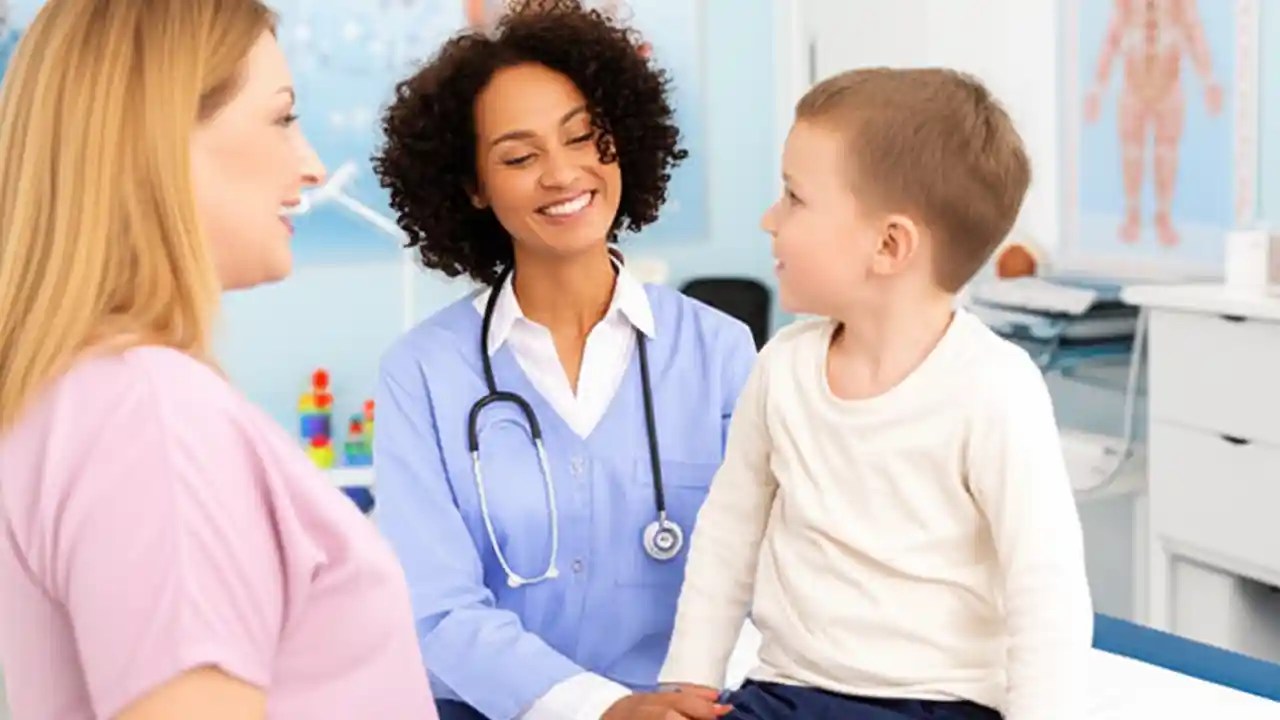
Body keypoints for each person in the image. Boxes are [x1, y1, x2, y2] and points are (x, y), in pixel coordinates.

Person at [0, 1, 437, 718]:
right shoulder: (150, 415)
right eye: (282, 117)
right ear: (159, 138)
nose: (313, 165)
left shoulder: (77, 395)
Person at [657, 68, 1095, 720]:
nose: (769, 219)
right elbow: (728, 533)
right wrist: (689, 680)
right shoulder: (782, 367)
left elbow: (1046, 588)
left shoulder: (992, 387)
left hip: (939, 704)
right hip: (786, 693)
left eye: (794, 198)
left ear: (889, 245)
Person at [371, 1, 756, 718]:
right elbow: (433, 607)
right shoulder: (421, 374)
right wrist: (599, 709)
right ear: (473, 188)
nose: (562, 173)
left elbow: (771, 576)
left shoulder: (721, 352)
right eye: (520, 157)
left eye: (585, 138)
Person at [1083, 0, 1222, 247]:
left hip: (1168, 84)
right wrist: (1096, 88)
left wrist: (1209, 80)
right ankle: (1132, 213)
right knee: (1131, 152)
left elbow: (1194, 33)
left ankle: (1164, 216)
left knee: (1166, 153)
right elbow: (1112, 38)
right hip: (1133, 85)